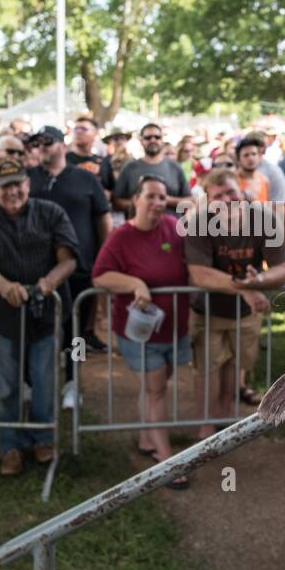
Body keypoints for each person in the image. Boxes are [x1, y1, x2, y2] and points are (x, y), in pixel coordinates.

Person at [0, 157, 78, 478]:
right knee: (6, 386)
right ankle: (10, 445)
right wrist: (3, 286)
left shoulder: (51, 212)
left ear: (28, 184)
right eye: (5, 186)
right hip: (2, 316)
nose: (13, 191)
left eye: (18, 184)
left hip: (47, 313)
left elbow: (68, 259)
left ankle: (43, 439)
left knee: (44, 382)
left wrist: (49, 281)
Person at [93, 176, 193, 488]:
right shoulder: (120, 236)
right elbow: (99, 277)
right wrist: (135, 284)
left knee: (158, 385)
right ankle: (166, 460)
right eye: (150, 196)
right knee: (156, 391)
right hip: (139, 331)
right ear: (135, 199)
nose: (157, 203)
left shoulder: (175, 228)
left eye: (162, 197)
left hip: (174, 327)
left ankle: (146, 439)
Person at [183, 169, 285, 438]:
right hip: (208, 310)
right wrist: (246, 289)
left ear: (241, 191)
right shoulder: (198, 223)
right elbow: (199, 274)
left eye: (230, 191)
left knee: (234, 365)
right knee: (208, 368)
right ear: (208, 200)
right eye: (218, 195)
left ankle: (225, 423)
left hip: (245, 313)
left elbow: (284, 269)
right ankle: (205, 429)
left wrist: (260, 279)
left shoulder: (264, 218)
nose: (227, 199)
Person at [31, 126, 113, 377]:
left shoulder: (85, 179)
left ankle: (73, 379)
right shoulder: (27, 178)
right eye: (38, 143)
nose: (43, 147)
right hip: (35, 267)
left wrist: (106, 256)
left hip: (80, 266)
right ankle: (33, 379)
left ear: (62, 146)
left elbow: (103, 219)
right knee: (35, 328)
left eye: (49, 142)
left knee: (76, 330)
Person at [113, 123, 190, 217]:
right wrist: (141, 203)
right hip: (138, 229)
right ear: (141, 140)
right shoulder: (129, 167)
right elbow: (116, 202)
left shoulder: (175, 167)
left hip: (171, 229)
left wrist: (164, 199)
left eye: (157, 137)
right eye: (148, 137)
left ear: (162, 140)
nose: (153, 140)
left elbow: (189, 201)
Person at [65, 116, 115, 197]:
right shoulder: (63, 160)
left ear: (95, 133)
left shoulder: (104, 162)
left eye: (83, 129)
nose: (78, 132)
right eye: (76, 129)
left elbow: (111, 191)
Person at [234, 135, 271, 204]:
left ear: (259, 156)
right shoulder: (233, 180)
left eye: (254, 154)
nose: (251, 158)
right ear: (238, 159)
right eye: (246, 155)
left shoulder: (264, 180)